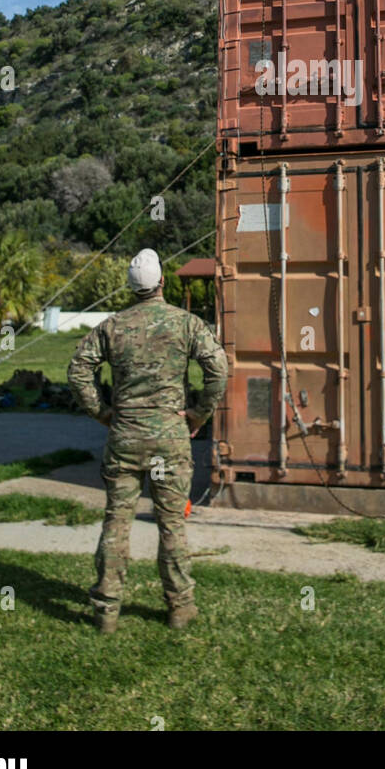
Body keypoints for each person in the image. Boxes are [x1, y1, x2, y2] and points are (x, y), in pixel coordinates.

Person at [67, 247, 228, 633]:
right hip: (169, 442)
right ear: (161, 282)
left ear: (129, 285)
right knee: (172, 524)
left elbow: (78, 370)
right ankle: (179, 608)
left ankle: (106, 610)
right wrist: (199, 414)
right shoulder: (185, 324)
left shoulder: (112, 327)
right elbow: (218, 369)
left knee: (116, 523)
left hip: (124, 438)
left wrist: (102, 413)